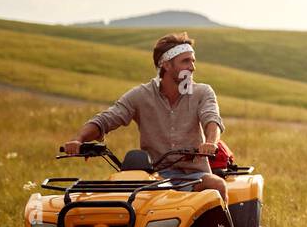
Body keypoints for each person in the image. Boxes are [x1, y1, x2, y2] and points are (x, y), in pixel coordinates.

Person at [61, 32, 228, 201]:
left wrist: (210, 142)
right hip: (154, 177)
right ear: (166, 65)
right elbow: (107, 119)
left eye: (193, 61)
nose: (192, 67)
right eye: (186, 61)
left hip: (194, 175)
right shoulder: (141, 95)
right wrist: (79, 139)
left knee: (217, 185)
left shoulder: (202, 92)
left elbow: (211, 119)